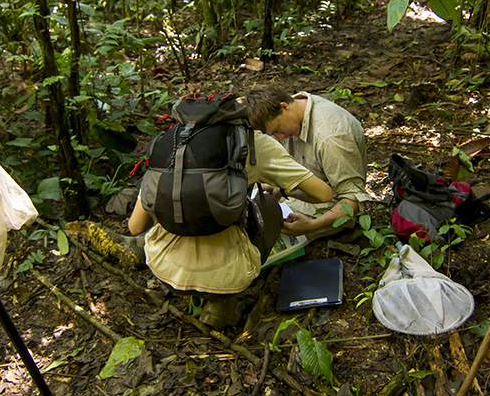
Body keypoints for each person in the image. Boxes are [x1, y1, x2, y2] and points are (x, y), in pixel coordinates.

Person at [126, 132, 332, 326]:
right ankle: (222, 305)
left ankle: (141, 249)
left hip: (163, 270)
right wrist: (279, 185)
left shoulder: (171, 144)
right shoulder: (255, 144)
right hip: (224, 280)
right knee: (269, 205)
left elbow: (135, 226)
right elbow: (324, 194)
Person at [243, 87, 369, 240]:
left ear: (284, 107)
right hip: (305, 190)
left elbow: (352, 201)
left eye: (278, 130)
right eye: (274, 134)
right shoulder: (293, 107)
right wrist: (279, 187)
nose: (280, 138)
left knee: (260, 235)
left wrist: (312, 225)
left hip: (331, 207)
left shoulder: (331, 137)